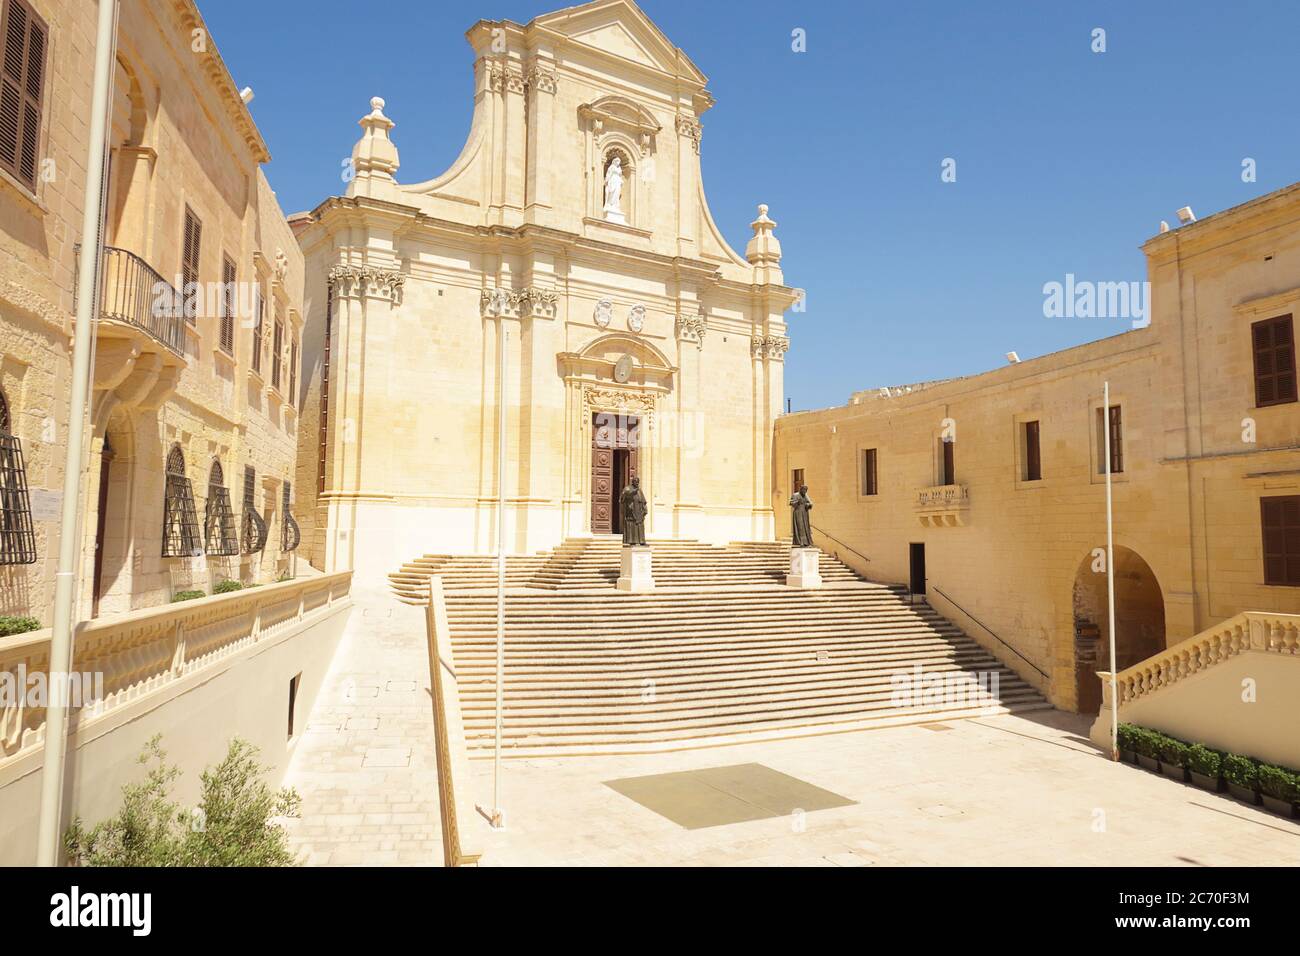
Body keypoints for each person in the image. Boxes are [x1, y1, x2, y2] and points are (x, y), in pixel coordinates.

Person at [619, 475, 647, 546]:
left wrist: (645, 508)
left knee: (639, 525)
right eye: (636, 481)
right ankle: (631, 541)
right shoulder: (627, 488)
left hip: (639, 510)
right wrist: (630, 493)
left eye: (638, 482)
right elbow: (622, 498)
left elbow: (643, 501)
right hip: (631, 511)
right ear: (633, 482)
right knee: (632, 525)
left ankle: (641, 541)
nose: (637, 483)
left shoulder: (639, 490)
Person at [789, 483, 813, 548]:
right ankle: (800, 542)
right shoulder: (795, 495)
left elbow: (810, 503)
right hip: (798, 513)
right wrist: (797, 502)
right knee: (800, 527)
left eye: (806, 490)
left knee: (806, 527)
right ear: (801, 489)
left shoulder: (805, 495)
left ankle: (806, 542)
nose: (804, 492)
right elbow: (791, 503)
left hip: (805, 513)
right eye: (804, 490)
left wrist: (809, 505)